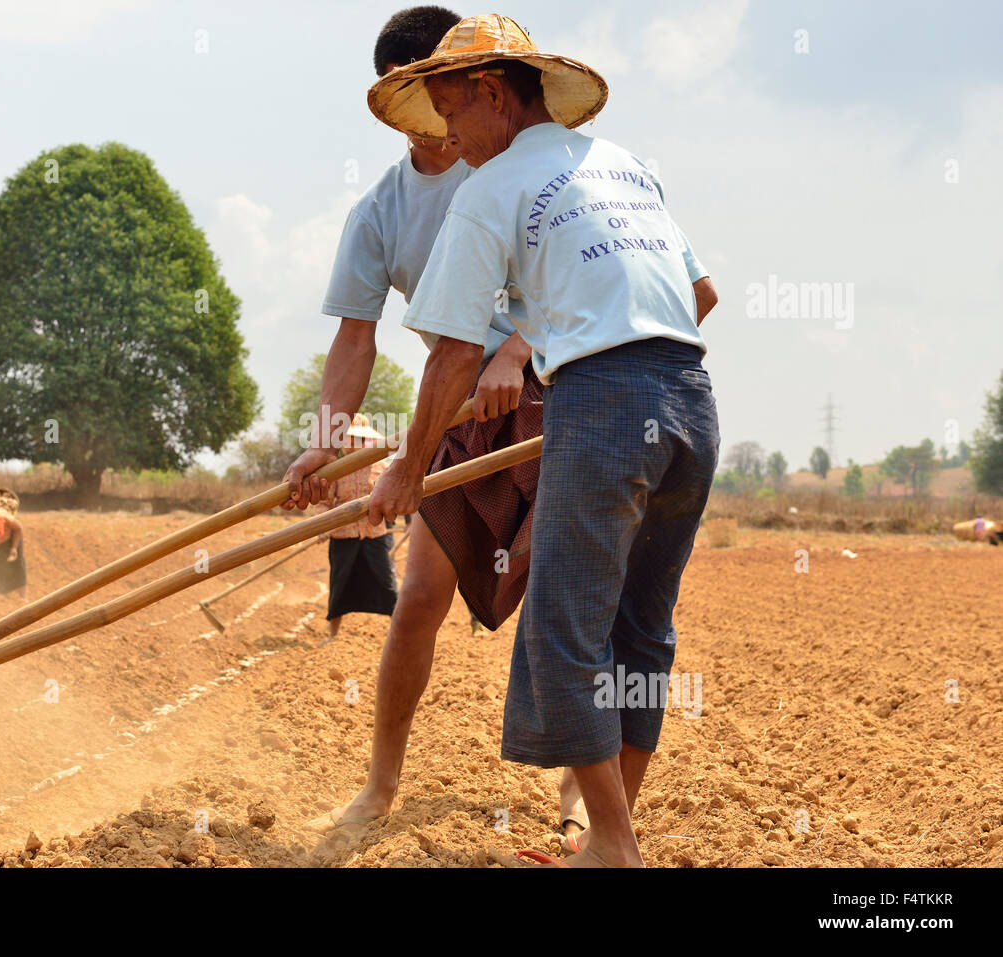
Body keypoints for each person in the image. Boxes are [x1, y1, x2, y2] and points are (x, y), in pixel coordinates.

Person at [365, 14, 721, 867]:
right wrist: (574, 342)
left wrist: (408, 472)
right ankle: (606, 837)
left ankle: (615, 852)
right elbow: (701, 295)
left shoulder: (489, 190)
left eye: (451, 111)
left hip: (605, 409)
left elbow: (453, 352)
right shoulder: (623, 164)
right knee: (641, 632)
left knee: (561, 634)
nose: (448, 136)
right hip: (693, 405)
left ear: (492, 94)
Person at [283, 5, 552, 834]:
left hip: (549, 395)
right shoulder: (379, 213)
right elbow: (353, 340)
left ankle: (583, 801)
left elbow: (573, 277)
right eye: (432, 97)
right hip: (454, 408)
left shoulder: (515, 171)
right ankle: (379, 788)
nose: (449, 116)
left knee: (567, 596)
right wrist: (327, 445)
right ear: (408, 100)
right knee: (419, 597)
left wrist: (516, 349)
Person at [312, 414, 398, 641]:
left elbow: (392, 496)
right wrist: (323, 526)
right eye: (348, 438)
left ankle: (399, 634)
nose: (353, 443)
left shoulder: (381, 466)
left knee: (387, 582)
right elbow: (323, 504)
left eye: (358, 438)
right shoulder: (333, 470)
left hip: (374, 533)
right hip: (343, 535)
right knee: (339, 584)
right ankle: (332, 635)